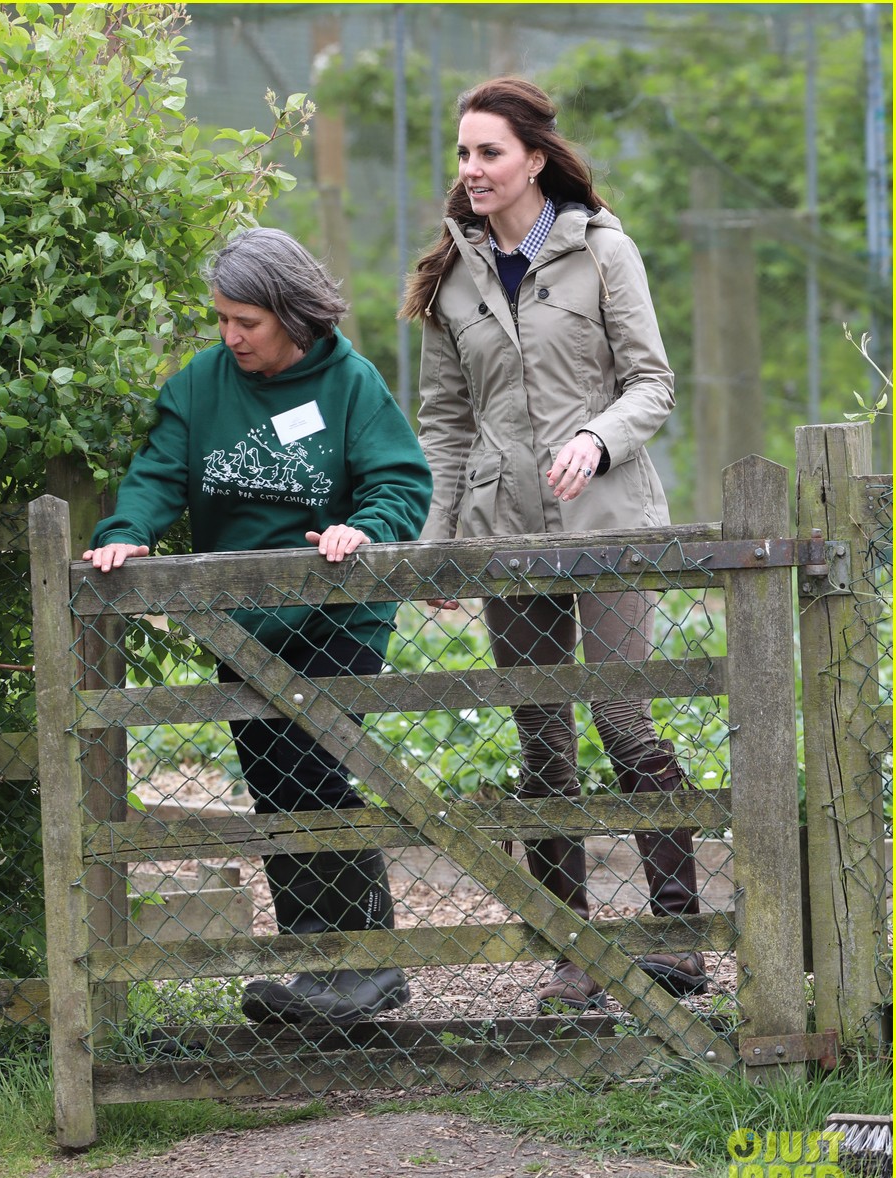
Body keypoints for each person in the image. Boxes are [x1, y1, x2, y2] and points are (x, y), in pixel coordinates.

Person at [401, 76, 707, 1011]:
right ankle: (573, 953)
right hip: (503, 536)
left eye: (488, 151)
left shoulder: (602, 252)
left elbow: (651, 384)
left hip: (609, 526)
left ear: (534, 158)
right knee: (542, 742)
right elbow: (444, 425)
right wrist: (438, 545)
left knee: (623, 723)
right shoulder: (451, 276)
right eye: (462, 153)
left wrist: (595, 436)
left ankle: (678, 938)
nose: (472, 169)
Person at [85, 228, 433, 1025]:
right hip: (240, 624)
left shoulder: (350, 383)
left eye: (246, 321)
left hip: (339, 612)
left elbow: (399, 480)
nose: (230, 335)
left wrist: (364, 528)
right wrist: (126, 529)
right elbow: (158, 472)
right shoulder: (204, 383)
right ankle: (316, 964)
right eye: (222, 319)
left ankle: (367, 965)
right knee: (272, 786)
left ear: (291, 313)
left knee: (316, 773)